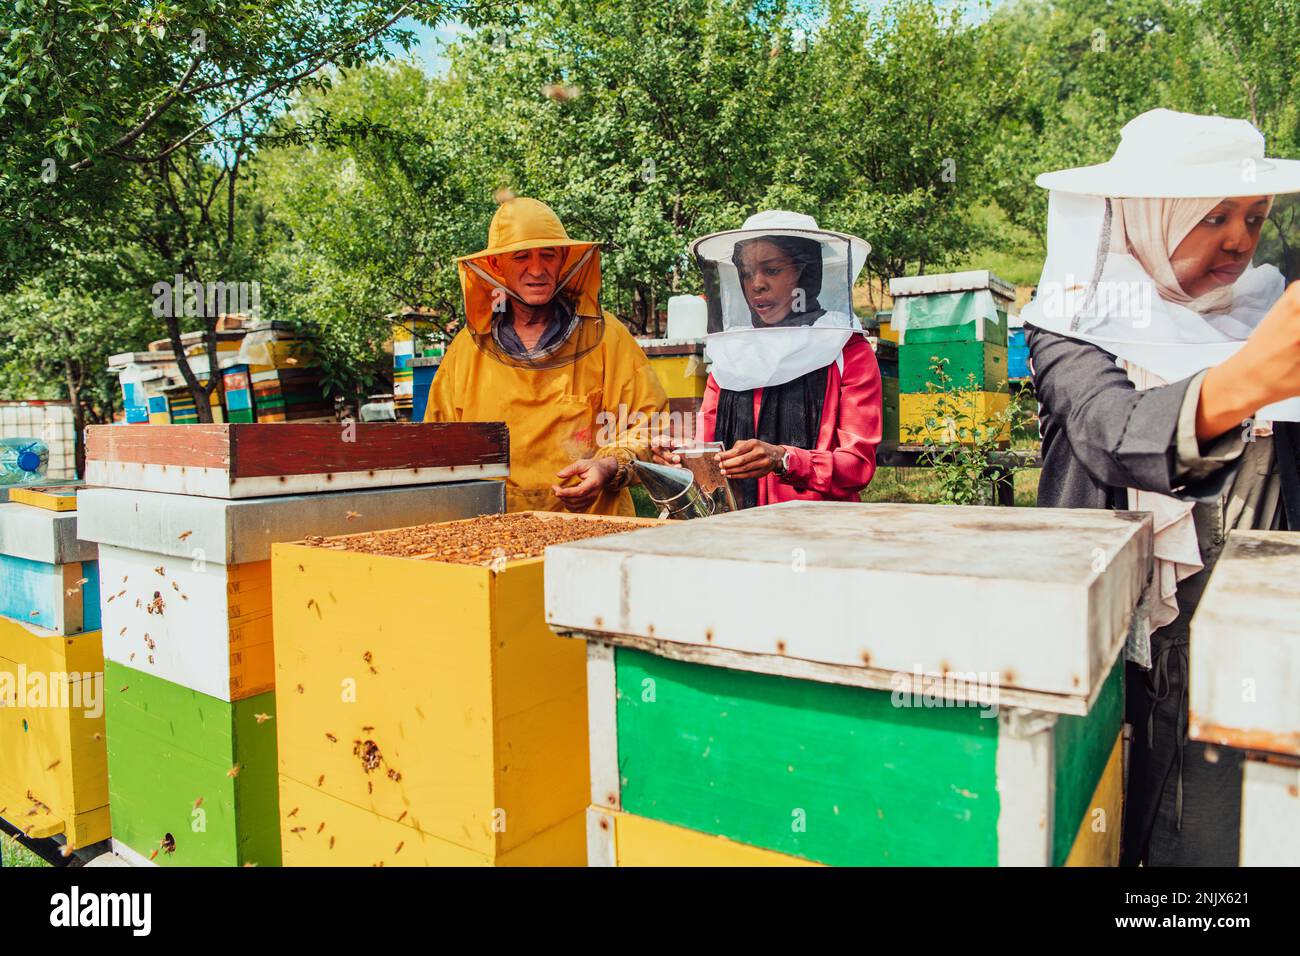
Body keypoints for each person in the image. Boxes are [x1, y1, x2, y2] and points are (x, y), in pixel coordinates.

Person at [1022, 108, 1300, 866]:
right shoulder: (1070, 325)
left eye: (1255, 216)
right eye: (1213, 217)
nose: (1239, 240)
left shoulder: (1260, 313)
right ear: (1148, 217)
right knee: (1177, 837)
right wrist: (1246, 382)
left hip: (1268, 636)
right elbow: (1111, 432)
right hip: (1146, 651)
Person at [425, 197, 669, 515]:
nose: (537, 270)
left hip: (593, 534)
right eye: (522, 257)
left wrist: (608, 466)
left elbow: (650, 425)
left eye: (548, 255)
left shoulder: (609, 338)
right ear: (497, 265)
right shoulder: (465, 352)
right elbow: (437, 446)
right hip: (496, 535)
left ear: (564, 259)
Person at [653, 210, 881, 508]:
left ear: (806, 274)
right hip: (738, 531)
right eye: (747, 273)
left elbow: (857, 465)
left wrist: (784, 459)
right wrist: (680, 457)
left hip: (822, 531)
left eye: (772, 270)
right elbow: (708, 452)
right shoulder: (732, 353)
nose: (756, 284)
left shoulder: (846, 350)